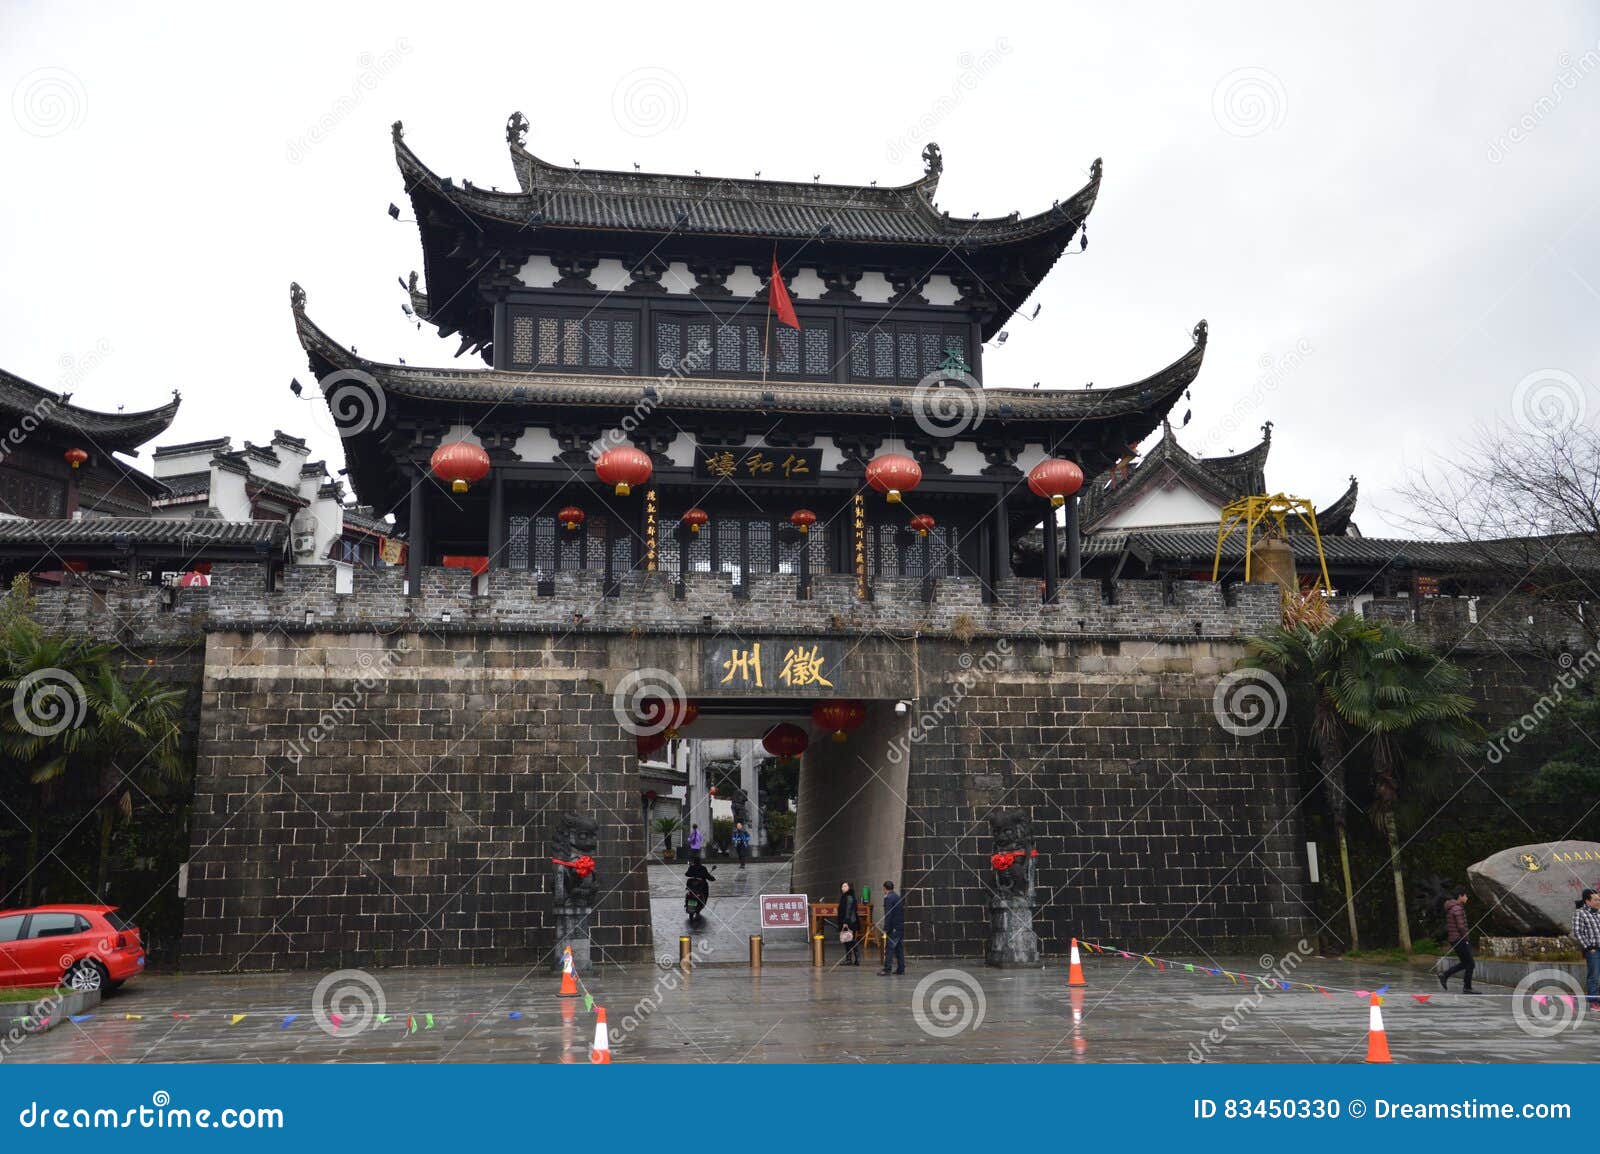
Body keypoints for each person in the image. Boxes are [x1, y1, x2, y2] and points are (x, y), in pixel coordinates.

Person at [1439, 885, 1477, 993]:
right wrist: (1466, 938)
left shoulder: (1453, 907)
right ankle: (1467, 987)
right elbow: (1461, 926)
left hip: (1454, 939)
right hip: (1459, 939)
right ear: (1460, 896)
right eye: (1465, 895)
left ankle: (1445, 975)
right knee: (1470, 963)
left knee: (1466, 963)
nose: (1467, 898)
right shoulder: (1457, 908)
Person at [1575, 888, 1600, 1009]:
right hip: (1593, 951)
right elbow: (1578, 932)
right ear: (1587, 901)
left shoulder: (1598, 913)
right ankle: (1593, 1002)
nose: (1598, 901)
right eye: (1595, 899)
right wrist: (1589, 947)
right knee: (1594, 976)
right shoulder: (1580, 913)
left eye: (1599, 899)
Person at [877, 880, 905, 976]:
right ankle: (901, 968)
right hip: (900, 926)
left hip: (893, 928)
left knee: (889, 948)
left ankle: (887, 969)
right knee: (899, 948)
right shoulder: (897, 896)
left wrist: (886, 928)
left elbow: (888, 914)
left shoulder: (888, 898)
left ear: (885, 888)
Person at [836, 881, 861, 966]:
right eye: (842, 886)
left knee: (851, 940)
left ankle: (856, 958)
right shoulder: (845, 896)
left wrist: (845, 922)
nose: (843, 888)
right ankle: (849, 959)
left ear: (849, 887)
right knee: (848, 940)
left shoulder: (849, 897)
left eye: (845, 886)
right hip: (848, 921)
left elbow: (848, 911)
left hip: (850, 922)